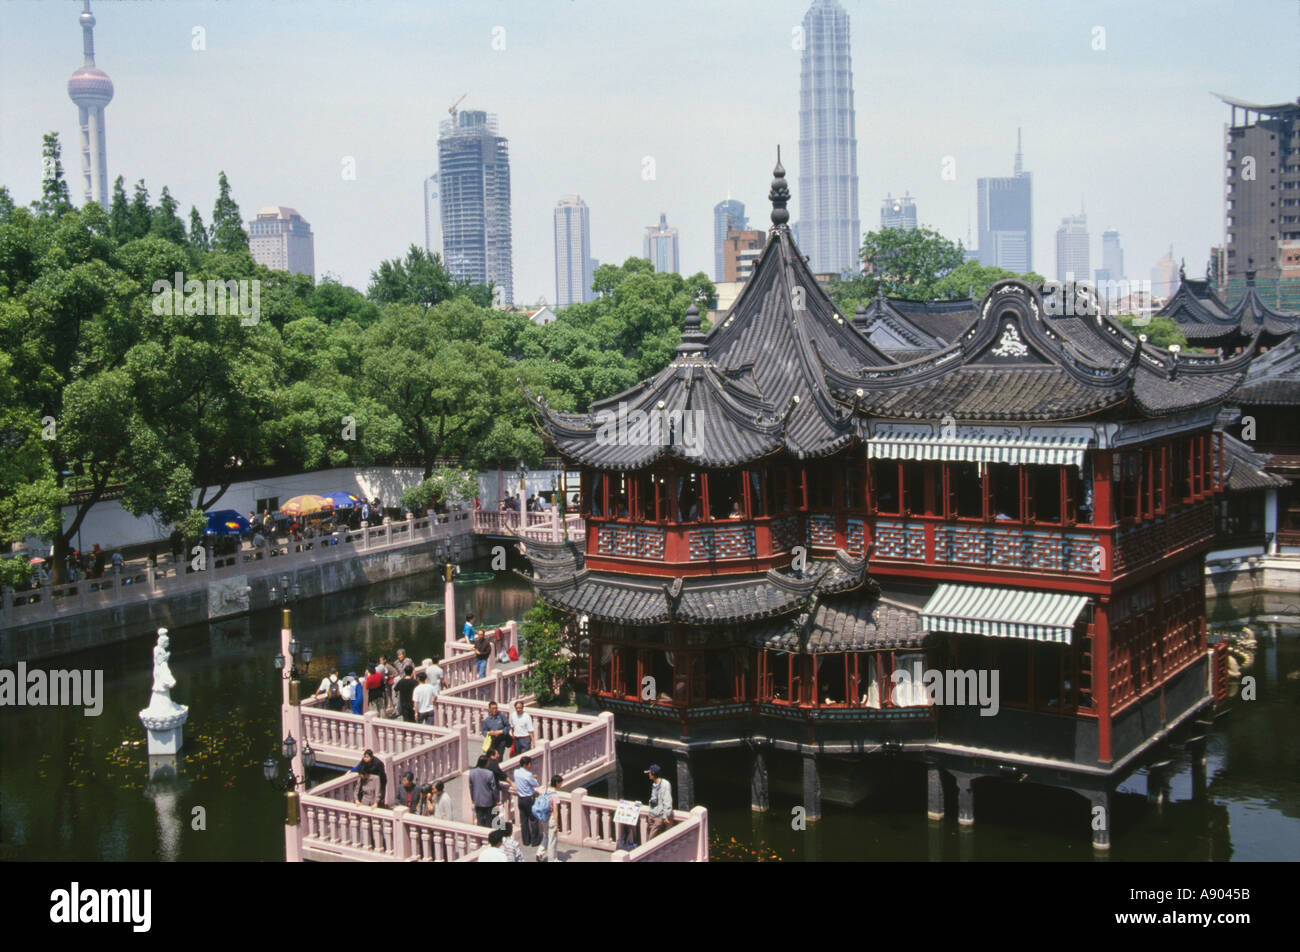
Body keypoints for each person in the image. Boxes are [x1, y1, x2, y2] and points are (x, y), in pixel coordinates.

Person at [514, 755, 541, 850]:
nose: (531, 766)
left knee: (524, 821)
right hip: (529, 799)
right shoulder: (528, 775)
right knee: (533, 820)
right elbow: (535, 784)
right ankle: (535, 841)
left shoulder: (516, 772)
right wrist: (535, 778)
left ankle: (526, 840)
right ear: (526, 765)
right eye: (530, 764)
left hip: (520, 799)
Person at [535, 774, 562, 862]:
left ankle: (540, 852)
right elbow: (555, 811)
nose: (561, 785)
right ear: (557, 783)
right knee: (552, 841)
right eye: (560, 783)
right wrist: (556, 825)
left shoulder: (546, 790)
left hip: (544, 817)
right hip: (551, 818)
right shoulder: (555, 795)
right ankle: (553, 859)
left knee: (546, 836)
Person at [467, 755, 498, 828]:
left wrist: (473, 799)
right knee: (489, 822)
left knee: (480, 821)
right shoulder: (489, 773)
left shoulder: (472, 772)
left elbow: (471, 787)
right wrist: (496, 799)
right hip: (488, 801)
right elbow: (493, 788)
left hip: (477, 800)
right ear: (485, 763)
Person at [646, 764, 674, 840]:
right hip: (652, 815)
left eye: (649, 773)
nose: (648, 775)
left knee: (650, 840)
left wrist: (665, 816)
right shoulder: (654, 784)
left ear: (653, 774)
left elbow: (667, 801)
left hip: (659, 817)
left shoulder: (665, 785)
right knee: (650, 837)